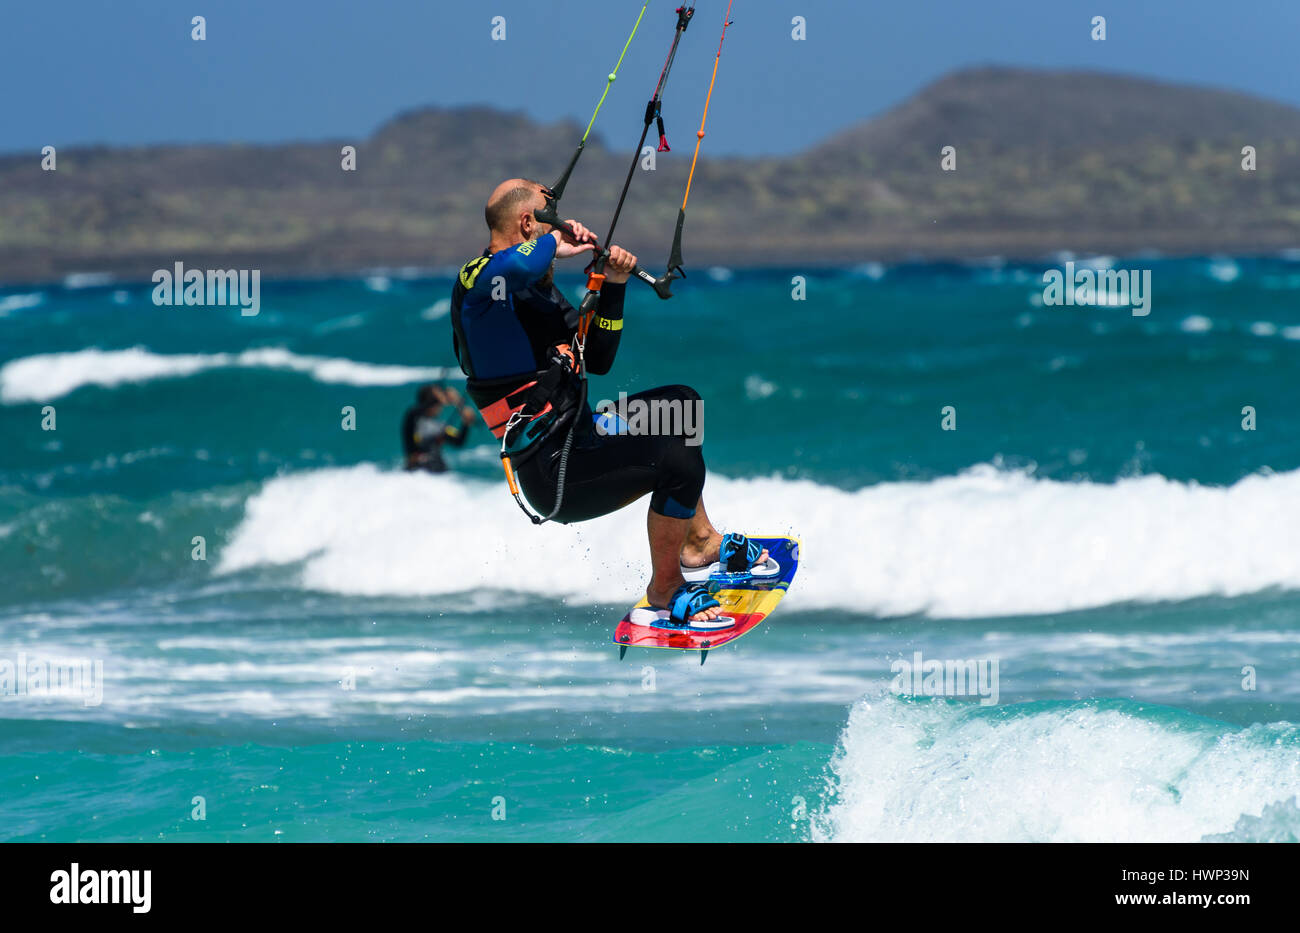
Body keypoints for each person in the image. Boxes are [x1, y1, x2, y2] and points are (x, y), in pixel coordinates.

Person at [449, 178, 770, 625]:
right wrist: (557, 243)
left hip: (582, 436)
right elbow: (511, 269)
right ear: (527, 223)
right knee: (678, 460)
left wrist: (615, 284)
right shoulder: (478, 283)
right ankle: (665, 589)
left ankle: (700, 542)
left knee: (681, 405)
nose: (560, 226)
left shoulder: (541, 295)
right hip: (554, 473)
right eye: (550, 218)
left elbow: (597, 360)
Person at [401, 383, 473, 473]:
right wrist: (450, 400)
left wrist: (465, 424)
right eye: (437, 401)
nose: (441, 406)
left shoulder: (439, 427)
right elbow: (422, 407)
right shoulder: (413, 418)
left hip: (437, 470)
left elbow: (459, 441)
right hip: (417, 470)